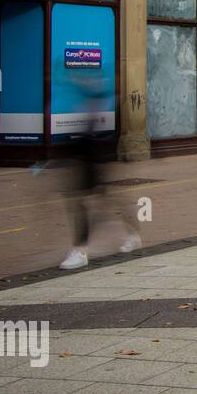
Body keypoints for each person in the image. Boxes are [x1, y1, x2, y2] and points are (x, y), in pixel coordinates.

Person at [59, 76, 142, 270]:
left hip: (95, 160)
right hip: (88, 159)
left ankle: (80, 250)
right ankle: (132, 234)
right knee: (103, 200)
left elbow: (104, 136)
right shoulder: (89, 102)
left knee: (84, 203)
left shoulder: (104, 105)